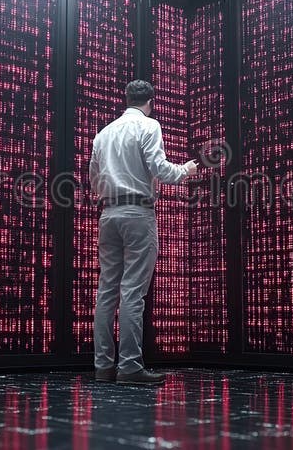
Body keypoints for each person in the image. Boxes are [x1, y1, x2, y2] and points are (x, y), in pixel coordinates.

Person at [88, 80, 197, 385]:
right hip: (137, 212)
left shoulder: (103, 132)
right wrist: (185, 172)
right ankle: (131, 367)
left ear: (126, 99)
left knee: (106, 292)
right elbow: (159, 168)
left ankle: (103, 368)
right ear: (150, 101)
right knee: (133, 292)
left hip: (108, 213)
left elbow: (94, 177)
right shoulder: (149, 126)